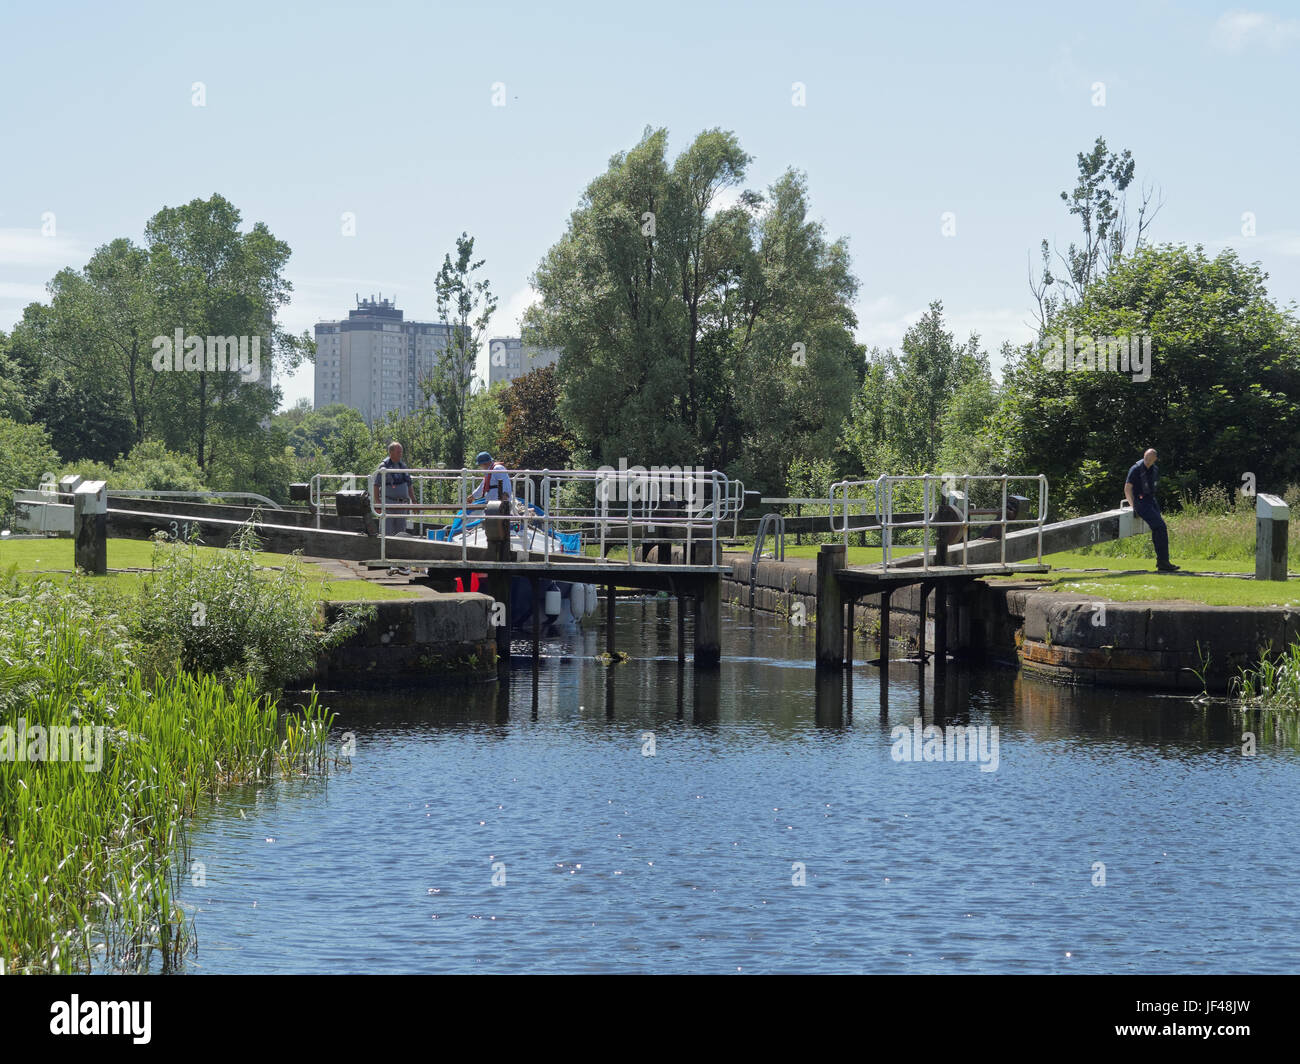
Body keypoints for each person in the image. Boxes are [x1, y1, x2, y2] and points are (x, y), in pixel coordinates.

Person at [1124, 447, 1179, 572]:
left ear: (1155, 459)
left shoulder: (1155, 470)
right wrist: (1133, 507)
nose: (1147, 461)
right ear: (1144, 456)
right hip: (1140, 501)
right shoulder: (1135, 469)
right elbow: (1127, 489)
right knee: (1160, 527)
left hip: (1151, 501)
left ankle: (1163, 562)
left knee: (1160, 529)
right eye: (1146, 458)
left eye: (1150, 459)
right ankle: (1163, 562)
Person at [373, 441, 413, 542]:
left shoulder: (402, 466)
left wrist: (414, 501)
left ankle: (400, 552)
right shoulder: (383, 466)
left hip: (402, 504)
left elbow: (409, 484)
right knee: (387, 530)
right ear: (391, 453)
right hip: (388, 503)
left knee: (401, 532)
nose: (401, 454)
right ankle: (385, 551)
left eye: (401, 452)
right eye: (398, 452)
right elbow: (376, 485)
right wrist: (377, 502)